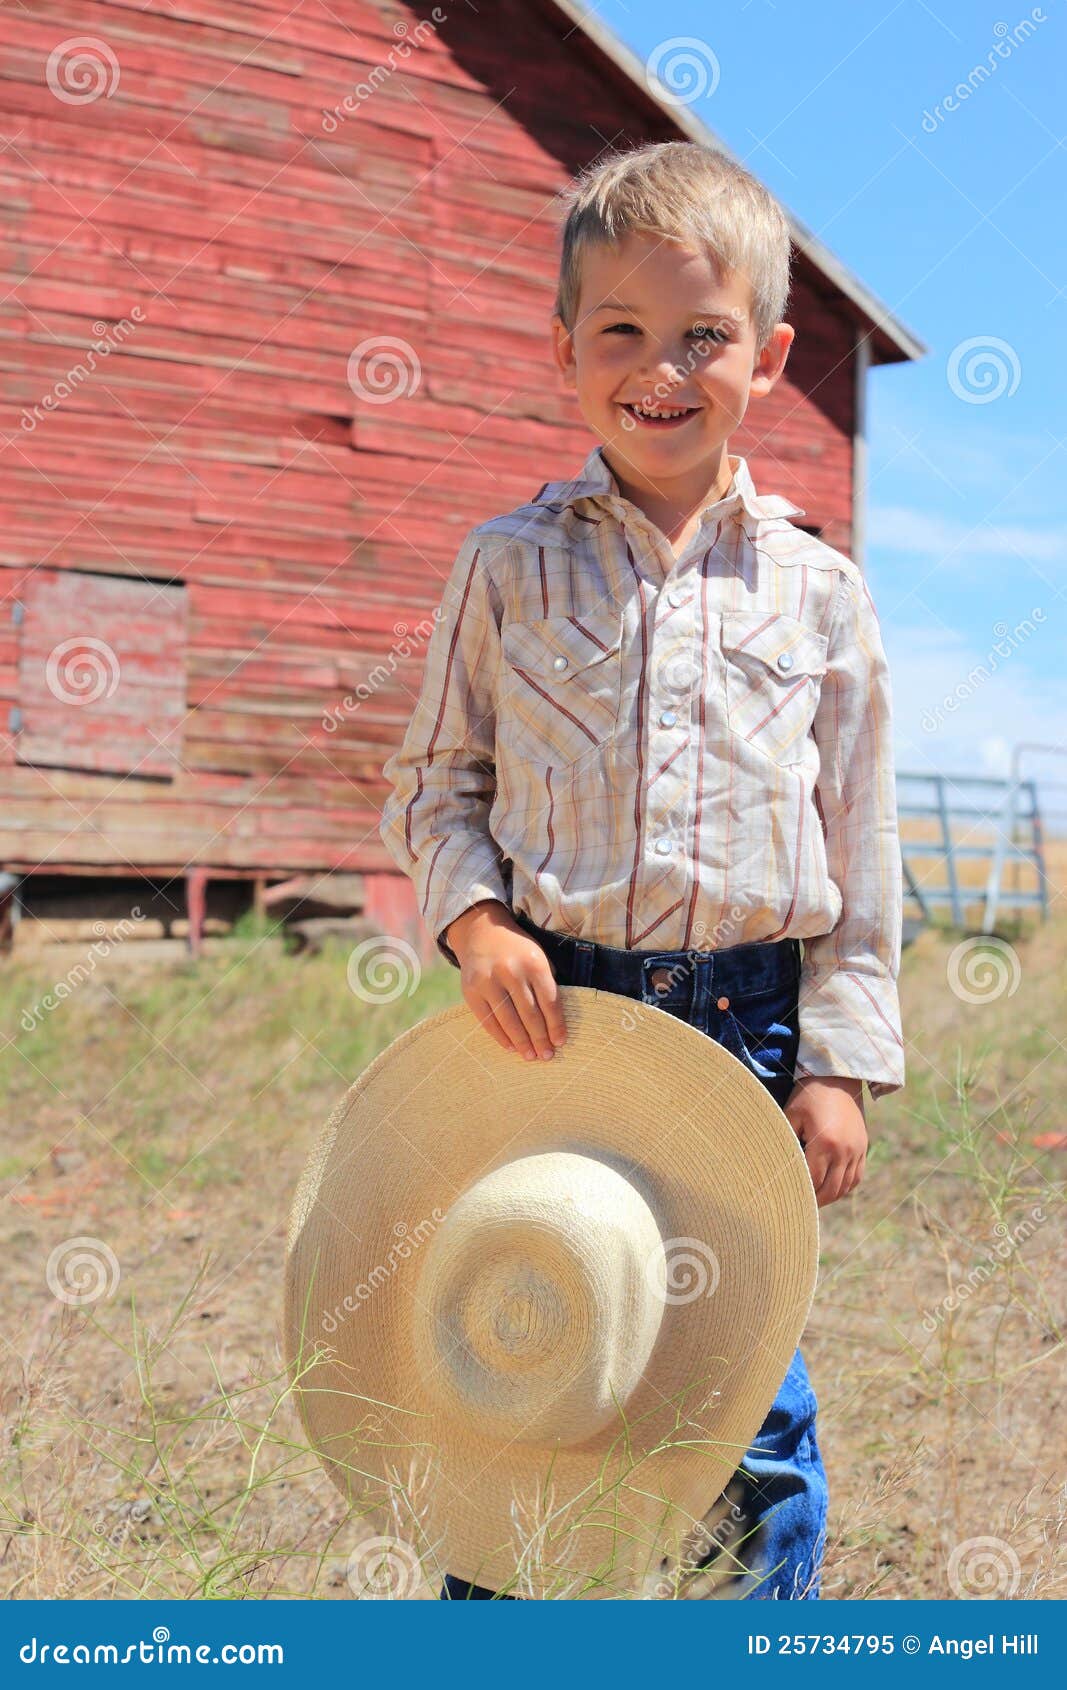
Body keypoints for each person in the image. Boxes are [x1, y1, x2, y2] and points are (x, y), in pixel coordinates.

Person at [378, 139, 906, 1600]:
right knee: (538, 1339)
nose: (659, 368)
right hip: (546, 1021)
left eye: (703, 336)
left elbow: (858, 849)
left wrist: (841, 1063)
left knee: (749, 1396)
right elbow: (436, 784)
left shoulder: (817, 589)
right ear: (563, 349)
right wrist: (478, 924)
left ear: (773, 354)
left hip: (746, 1025)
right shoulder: (507, 566)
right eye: (620, 330)